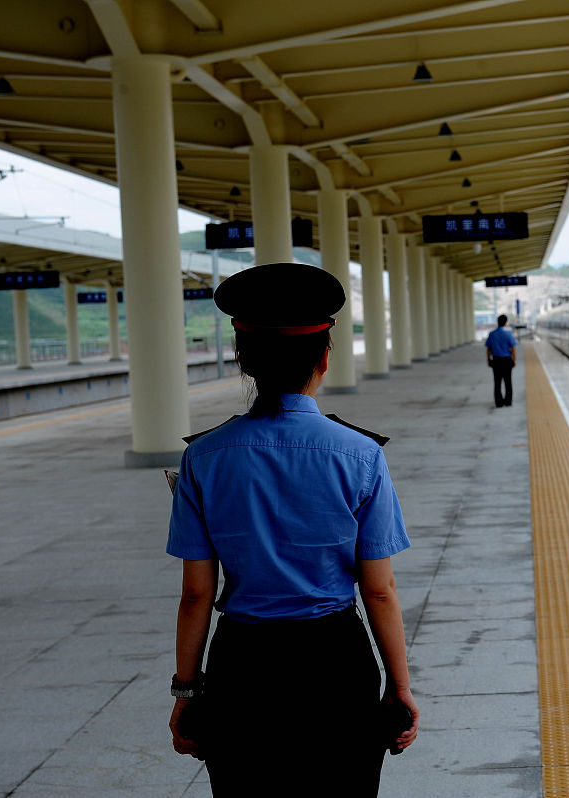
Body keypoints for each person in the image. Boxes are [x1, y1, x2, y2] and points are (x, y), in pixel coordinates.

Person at [165, 262, 419, 796]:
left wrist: (186, 690)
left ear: (244, 359)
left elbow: (195, 595)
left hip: (242, 666)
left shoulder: (204, 458)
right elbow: (379, 589)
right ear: (324, 358)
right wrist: (399, 686)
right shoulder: (361, 454)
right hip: (336, 664)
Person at [485, 314, 518, 407]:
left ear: (497, 322)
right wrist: (514, 360)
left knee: (497, 382)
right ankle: (508, 401)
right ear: (506, 323)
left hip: (496, 361)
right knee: (508, 382)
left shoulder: (492, 334)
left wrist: (488, 359)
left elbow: (488, 349)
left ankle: (499, 402)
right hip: (507, 360)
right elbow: (513, 348)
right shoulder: (508, 334)